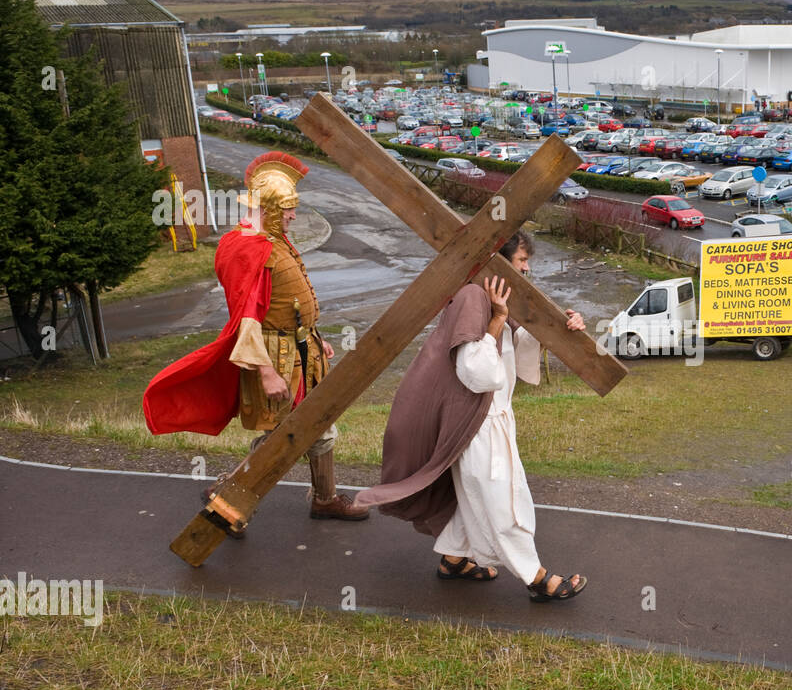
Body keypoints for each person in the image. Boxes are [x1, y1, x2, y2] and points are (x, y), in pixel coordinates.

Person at [354, 232, 588, 602]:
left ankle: (454, 560)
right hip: (476, 420)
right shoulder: (472, 298)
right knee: (502, 499)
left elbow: (518, 349)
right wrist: (497, 319)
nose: (527, 268)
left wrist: (559, 327)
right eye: (522, 260)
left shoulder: (495, 296)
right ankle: (537, 578)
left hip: (492, 416)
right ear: (499, 260)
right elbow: (476, 374)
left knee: (475, 493)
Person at [143, 151, 368, 525]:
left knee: (318, 425)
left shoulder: (273, 241)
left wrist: (314, 337)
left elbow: (288, 301)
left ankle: (324, 499)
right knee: (285, 437)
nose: (295, 215)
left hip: (300, 351)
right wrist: (266, 371)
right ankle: (227, 497)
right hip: (276, 358)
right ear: (271, 208)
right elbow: (247, 319)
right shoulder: (250, 248)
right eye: (289, 208)